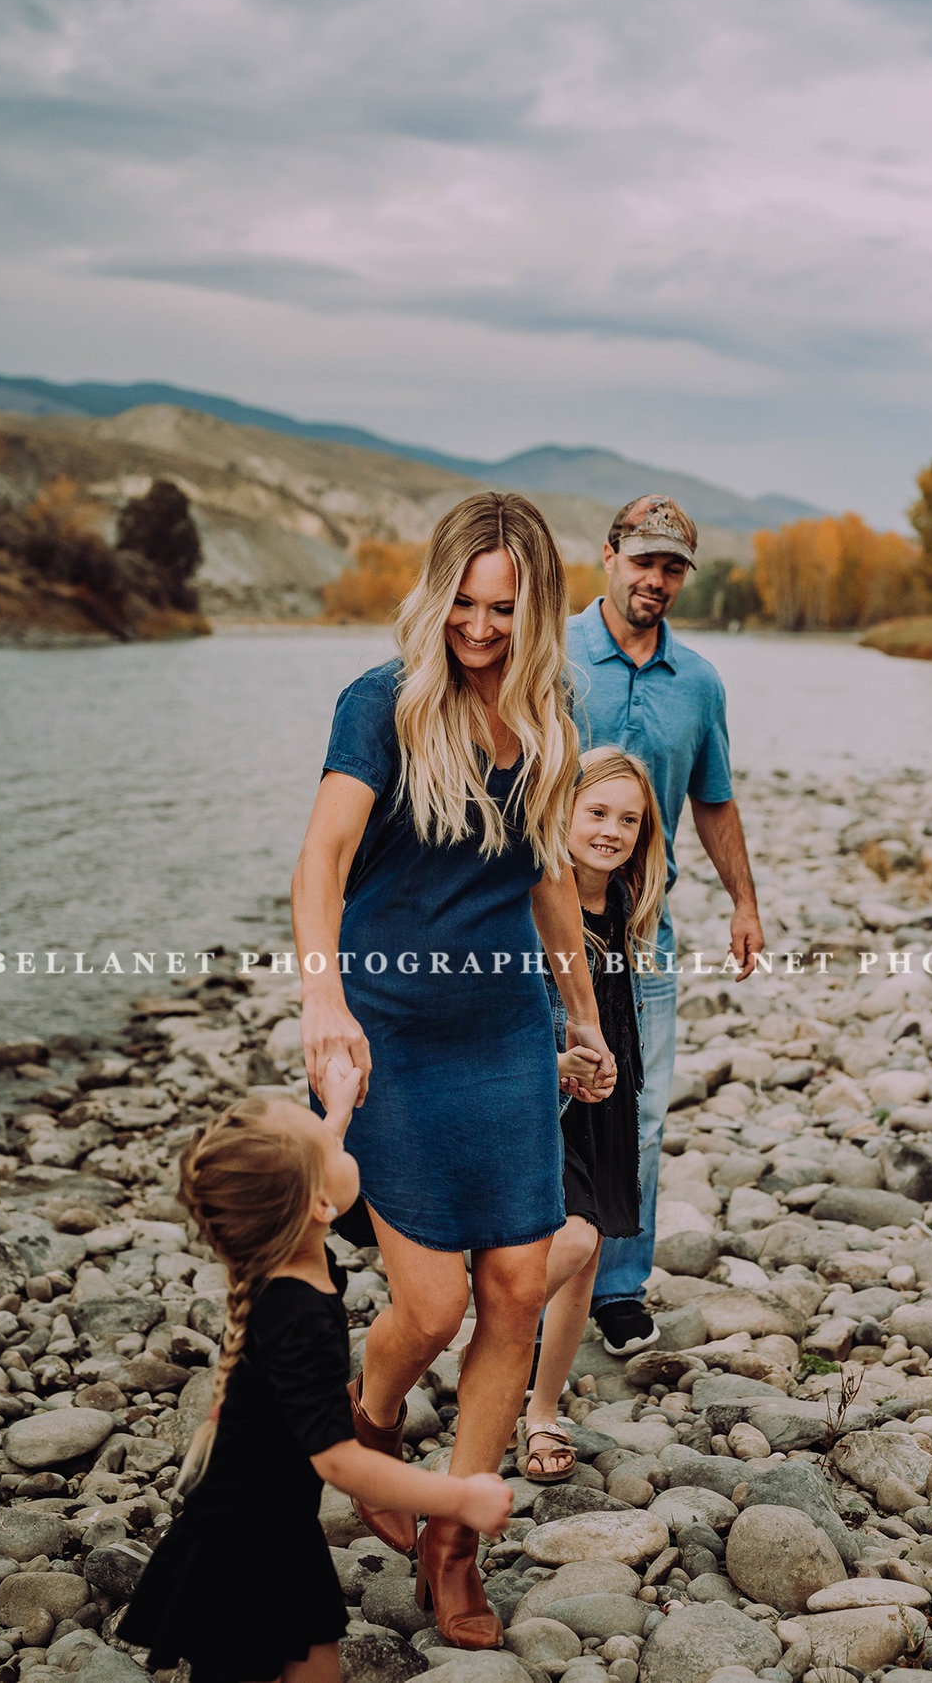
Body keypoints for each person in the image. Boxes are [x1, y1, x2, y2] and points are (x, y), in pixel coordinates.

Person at [290, 492, 615, 1649]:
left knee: (517, 1289)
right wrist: (322, 996)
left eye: (503, 609)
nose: (479, 628)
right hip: (389, 1034)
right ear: (438, 593)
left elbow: (546, 878)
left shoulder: (549, 713)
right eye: (464, 604)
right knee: (429, 1306)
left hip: (505, 1035)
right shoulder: (380, 703)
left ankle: (455, 1535)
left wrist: (581, 1013)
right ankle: (370, 1418)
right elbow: (322, 857)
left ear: (538, 611)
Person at [119, 1068, 512, 1683]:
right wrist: (458, 1498)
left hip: (263, 1522)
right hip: (249, 1544)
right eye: (333, 1147)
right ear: (320, 1204)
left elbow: (306, 1167)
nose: (343, 1144)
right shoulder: (297, 1315)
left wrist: (338, 1110)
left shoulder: (277, 1251)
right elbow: (339, 1462)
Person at [566, 494, 764, 1357]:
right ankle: (521, 1276)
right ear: (608, 555)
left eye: (672, 566)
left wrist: (743, 903)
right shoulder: (549, 654)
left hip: (644, 930)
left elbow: (712, 799)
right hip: (540, 920)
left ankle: (616, 1287)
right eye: (643, 560)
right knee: (538, 1099)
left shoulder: (699, 682)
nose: (656, 578)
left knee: (639, 1113)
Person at [519, 747, 666, 1483]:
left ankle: (542, 1410)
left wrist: (615, 1076)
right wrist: (553, 1068)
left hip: (605, 1096)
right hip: (545, 1094)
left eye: (628, 820)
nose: (611, 830)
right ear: (562, 814)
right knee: (571, 1240)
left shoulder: (628, 902)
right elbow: (498, 1018)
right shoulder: (526, 902)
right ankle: (485, 1332)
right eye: (597, 813)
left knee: (585, 1261)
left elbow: (618, 1011)